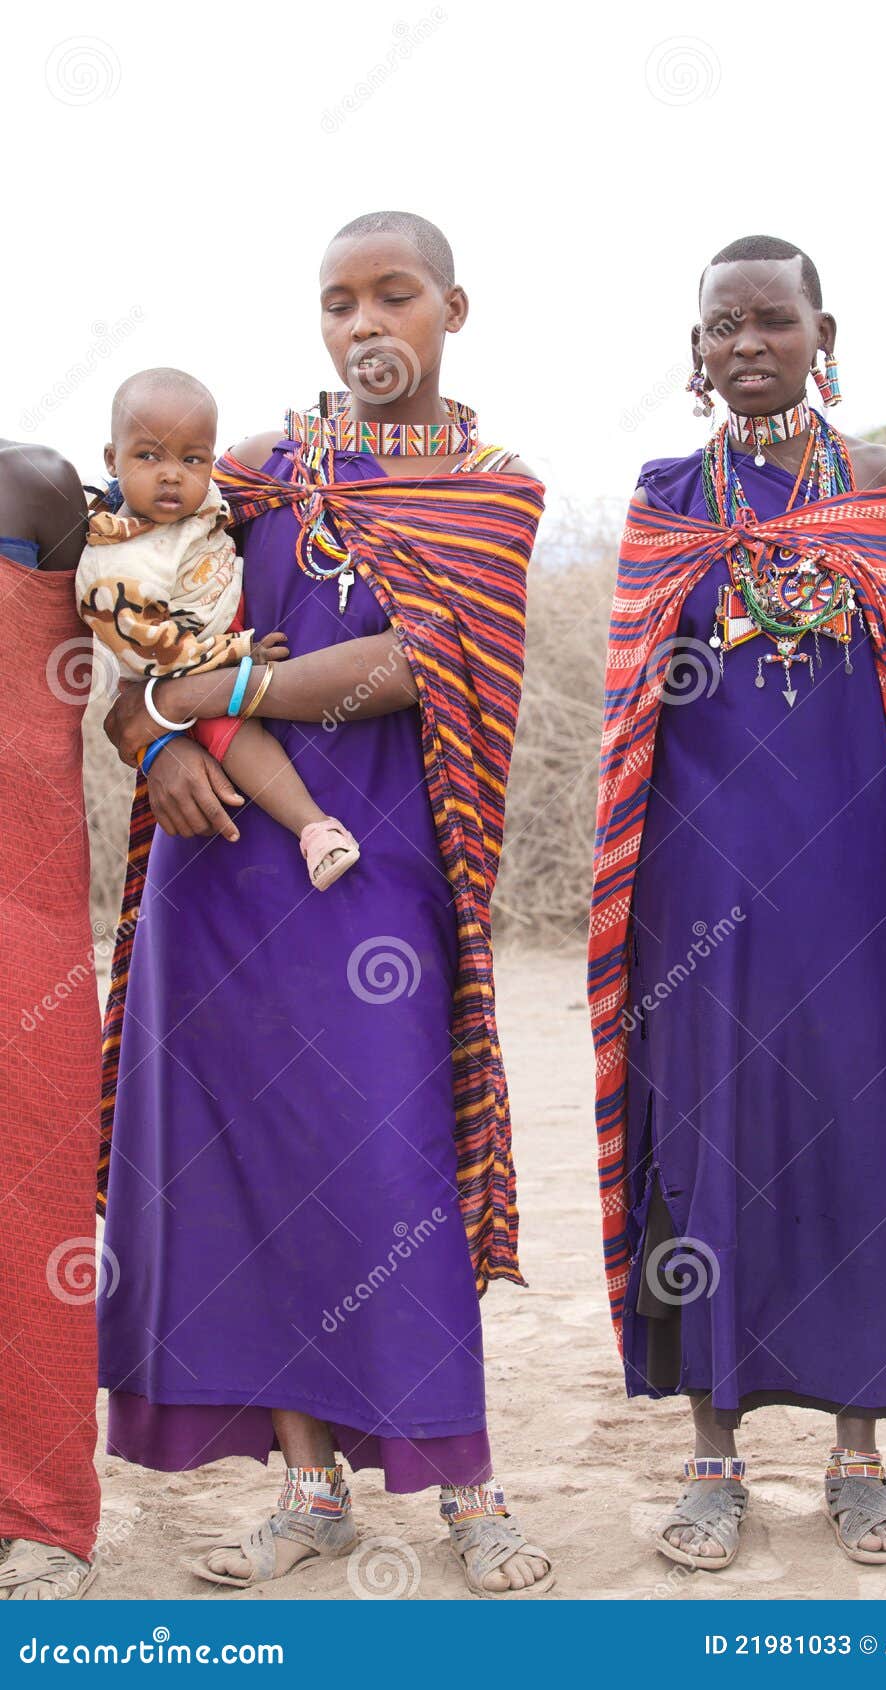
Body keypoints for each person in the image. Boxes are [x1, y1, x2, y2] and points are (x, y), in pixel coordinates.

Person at [96, 210, 554, 1596]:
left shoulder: (490, 490)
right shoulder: (244, 472)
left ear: (450, 310)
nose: (364, 323)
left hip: (372, 874)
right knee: (250, 1171)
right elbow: (133, 647)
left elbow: (419, 663)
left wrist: (215, 693)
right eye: (337, 301)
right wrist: (160, 736)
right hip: (219, 870)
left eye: (392, 296)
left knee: (393, 1168)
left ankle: (463, 1488)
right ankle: (311, 1487)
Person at [588, 235, 886, 1572]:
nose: (745, 343)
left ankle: (857, 1457)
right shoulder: (662, 498)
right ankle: (712, 1459)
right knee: (701, 1137)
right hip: (692, 874)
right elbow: (636, 692)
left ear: (823, 330)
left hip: (852, 874)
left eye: (771, 320)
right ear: (692, 347)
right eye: (721, 325)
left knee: (854, 1132)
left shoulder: (876, 489)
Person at [77, 369, 360, 891]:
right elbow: (154, 657)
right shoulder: (113, 567)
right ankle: (314, 829)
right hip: (180, 664)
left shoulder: (203, 502)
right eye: (148, 456)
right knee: (231, 733)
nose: (171, 475)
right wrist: (237, 650)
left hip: (223, 625)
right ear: (111, 460)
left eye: (192, 459)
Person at [0, 439, 101, 1598]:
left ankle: (41, 1516)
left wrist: (173, 728)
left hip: (21, 910)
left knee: (29, 1200)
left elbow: (145, 621)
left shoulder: (31, 487)